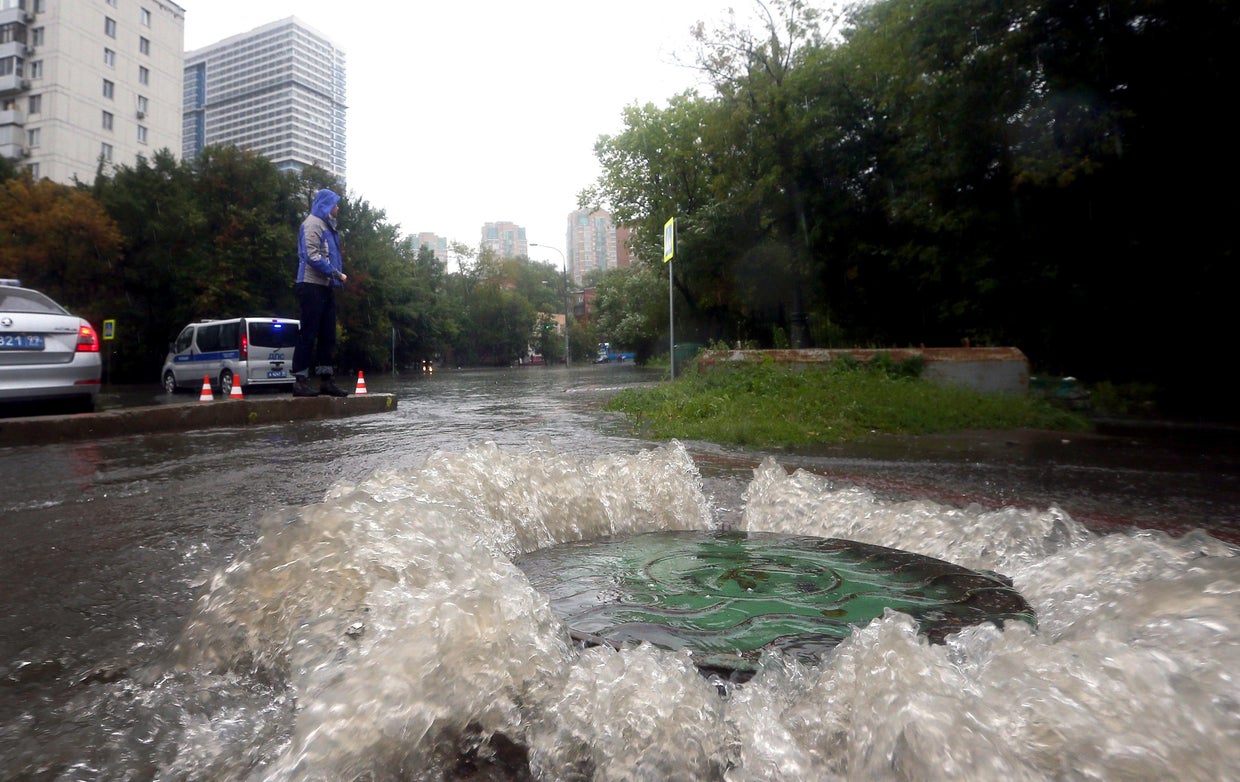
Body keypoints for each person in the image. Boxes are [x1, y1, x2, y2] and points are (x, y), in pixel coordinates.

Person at [292, 188, 349, 397]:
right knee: (308, 333)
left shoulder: (326, 225)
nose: (338, 207)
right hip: (310, 285)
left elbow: (331, 254)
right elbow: (311, 256)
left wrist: (333, 278)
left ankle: (326, 380)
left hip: (325, 286)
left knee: (328, 335)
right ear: (326, 204)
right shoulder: (312, 224)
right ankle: (299, 381)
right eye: (335, 204)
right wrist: (337, 274)